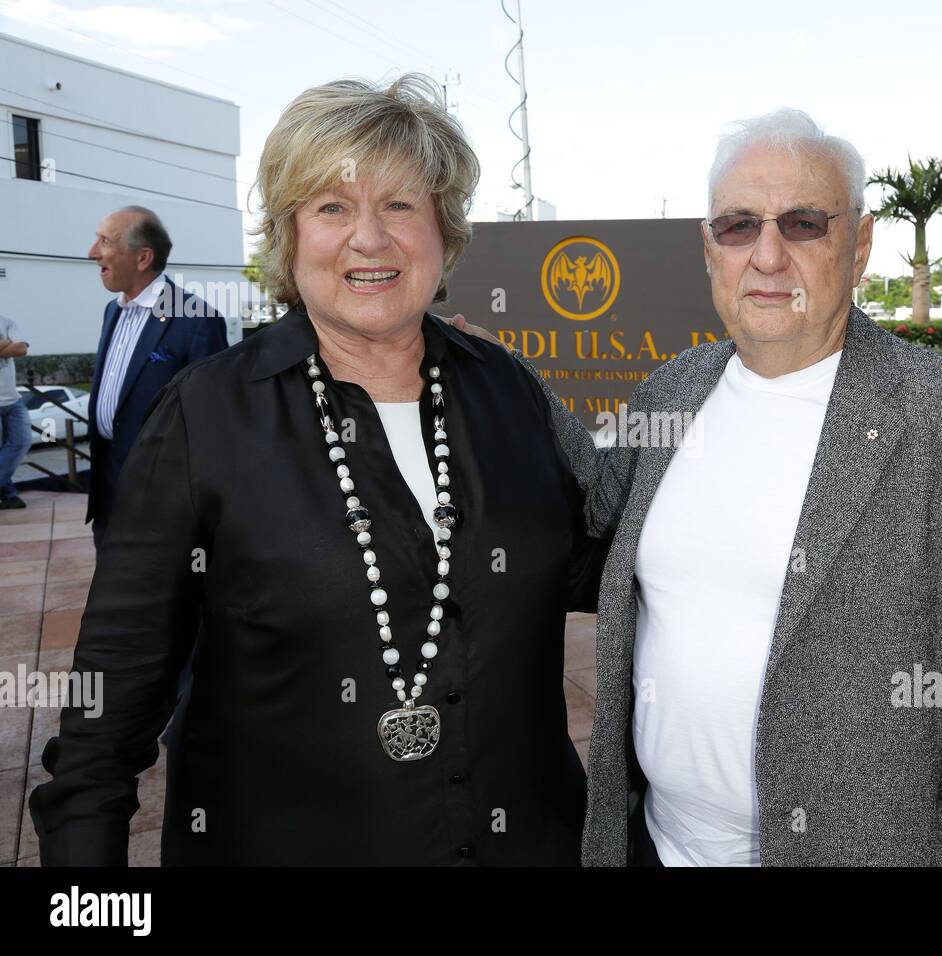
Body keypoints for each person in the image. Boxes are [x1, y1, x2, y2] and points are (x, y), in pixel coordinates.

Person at [30, 75, 604, 866]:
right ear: (289, 236)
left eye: (400, 204)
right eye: (332, 208)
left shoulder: (509, 390)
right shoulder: (207, 418)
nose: (369, 239)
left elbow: (599, 565)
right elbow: (107, 718)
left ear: (445, 230)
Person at [537, 109, 942, 866]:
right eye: (738, 226)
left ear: (858, 246)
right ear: (708, 248)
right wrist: (491, 380)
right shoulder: (671, 393)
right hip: (658, 848)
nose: (767, 256)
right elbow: (586, 526)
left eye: (802, 224)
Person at [85, 205, 229, 548]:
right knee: (111, 593)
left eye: (105, 241)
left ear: (142, 257)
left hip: (163, 505)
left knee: (163, 598)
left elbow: (212, 423)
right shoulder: (112, 311)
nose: (92, 253)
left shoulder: (196, 320)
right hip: (107, 496)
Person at [0, 313, 32, 509]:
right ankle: (9, 495)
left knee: (22, 441)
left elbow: (21, 348)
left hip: (13, 399)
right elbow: (13, 346)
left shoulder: (7, 321)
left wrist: (12, 346)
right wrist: (5, 344)